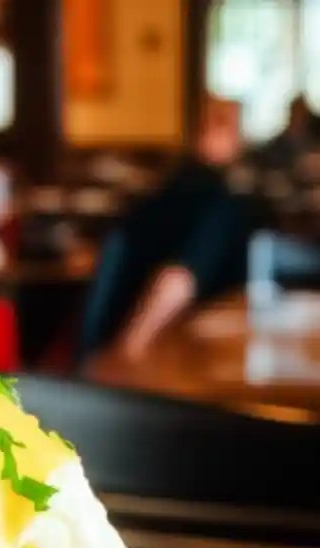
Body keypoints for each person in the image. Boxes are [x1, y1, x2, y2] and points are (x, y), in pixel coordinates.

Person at [78, 98, 253, 364]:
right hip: (153, 356)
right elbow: (176, 280)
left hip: (108, 345)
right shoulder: (215, 202)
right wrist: (129, 350)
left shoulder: (163, 189)